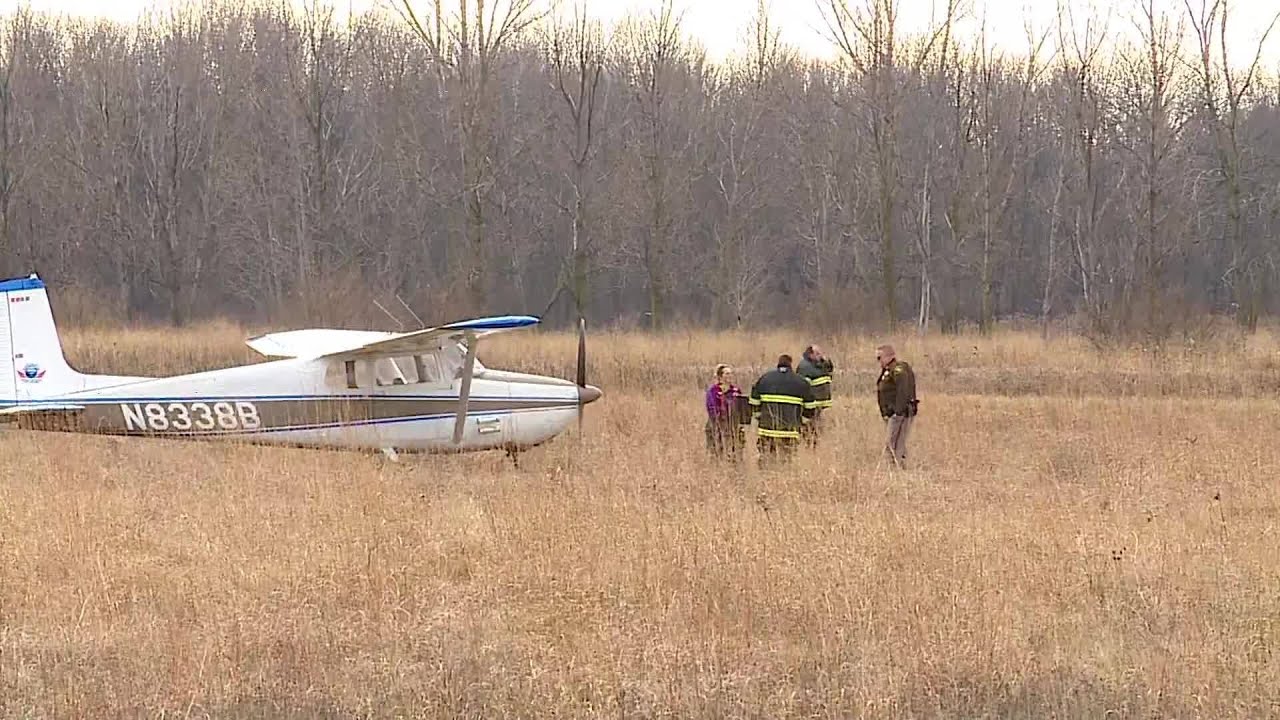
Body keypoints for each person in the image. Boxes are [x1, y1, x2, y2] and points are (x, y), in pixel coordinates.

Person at [749, 354, 816, 468]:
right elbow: (810, 406)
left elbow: (754, 401)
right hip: (790, 430)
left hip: (767, 429)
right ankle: (783, 479)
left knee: (765, 457)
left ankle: (765, 479)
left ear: (778, 364)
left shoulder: (765, 378)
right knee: (787, 459)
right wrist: (802, 421)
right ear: (791, 364)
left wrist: (759, 416)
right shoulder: (801, 382)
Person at [875, 344, 918, 468]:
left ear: (890, 356)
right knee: (896, 443)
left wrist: (898, 412)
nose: (878, 361)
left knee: (892, 443)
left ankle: (896, 468)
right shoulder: (888, 370)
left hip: (900, 413)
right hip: (891, 413)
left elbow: (903, 391)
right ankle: (899, 467)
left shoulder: (899, 370)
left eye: (880, 357)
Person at [796, 344, 834, 448]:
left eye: (821, 353)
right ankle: (809, 447)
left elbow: (828, 371)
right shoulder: (805, 367)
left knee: (817, 430)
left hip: (819, 406)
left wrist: (826, 361)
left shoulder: (818, 365)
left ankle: (814, 447)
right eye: (817, 353)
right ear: (810, 354)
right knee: (810, 429)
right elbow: (803, 387)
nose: (820, 356)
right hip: (811, 406)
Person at [704, 364, 745, 460]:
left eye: (731, 373)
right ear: (720, 376)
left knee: (736, 451)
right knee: (717, 451)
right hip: (717, 424)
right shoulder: (713, 391)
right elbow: (712, 408)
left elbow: (741, 407)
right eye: (727, 373)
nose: (730, 376)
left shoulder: (736, 391)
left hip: (733, 425)